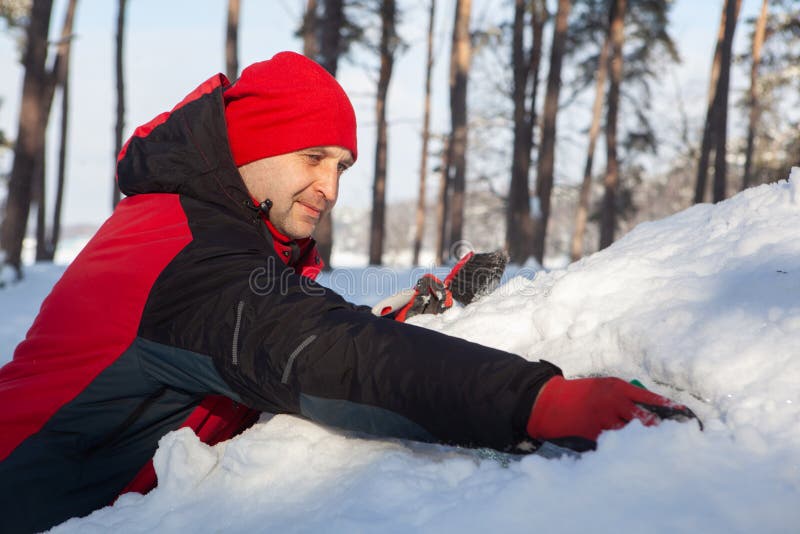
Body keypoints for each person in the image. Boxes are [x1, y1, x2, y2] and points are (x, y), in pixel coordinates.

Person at [0, 51, 696, 533]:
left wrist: (398, 312)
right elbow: (314, 350)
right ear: (249, 148)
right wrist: (538, 401)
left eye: (341, 165)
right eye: (312, 158)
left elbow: (276, 330)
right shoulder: (187, 251)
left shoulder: (220, 234)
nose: (330, 189)